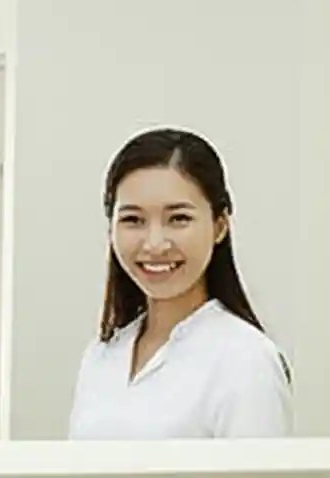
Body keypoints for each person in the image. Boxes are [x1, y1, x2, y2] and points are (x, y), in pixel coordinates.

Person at [68, 128, 292, 440]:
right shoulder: (101, 356)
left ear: (219, 225)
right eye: (133, 220)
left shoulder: (246, 359)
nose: (155, 243)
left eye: (178, 219)